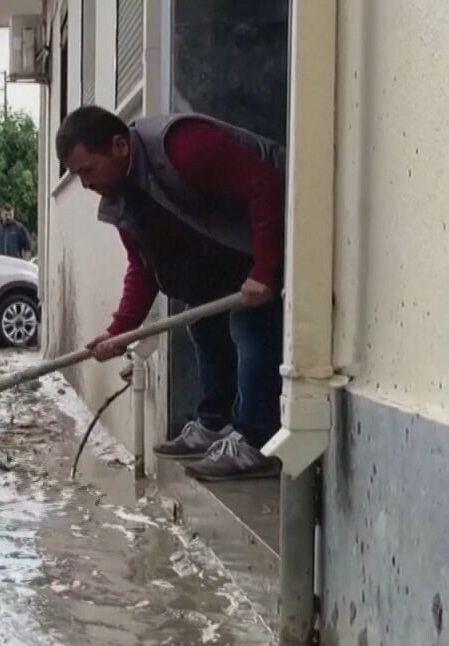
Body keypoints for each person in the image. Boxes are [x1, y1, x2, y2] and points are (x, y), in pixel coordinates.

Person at [57, 106, 286, 480]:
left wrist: (264, 269)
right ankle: (215, 423)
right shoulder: (120, 198)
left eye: (87, 170)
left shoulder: (183, 146)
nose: (85, 184)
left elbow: (266, 185)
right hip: (227, 252)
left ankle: (256, 440)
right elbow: (143, 268)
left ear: (118, 146)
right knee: (202, 319)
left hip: (277, 226)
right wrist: (120, 332)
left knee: (251, 324)